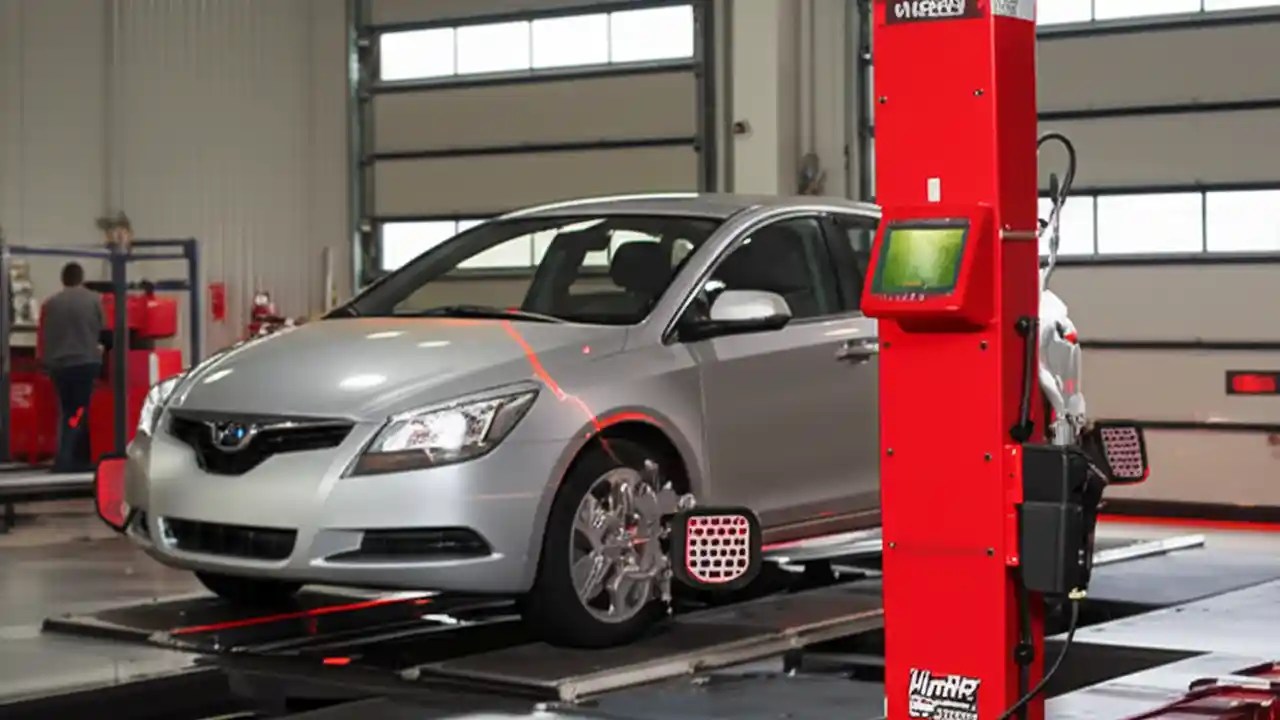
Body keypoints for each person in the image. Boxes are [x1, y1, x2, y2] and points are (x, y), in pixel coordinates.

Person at [41, 262, 104, 473]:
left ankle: (77, 457)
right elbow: (106, 330)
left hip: (59, 366)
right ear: (81, 278)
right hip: (85, 363)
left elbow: (45, 334)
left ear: (63, 280)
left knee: (69, 410)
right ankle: (66, 460)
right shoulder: (94, 300)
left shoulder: (51, 303)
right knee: (77, 412)